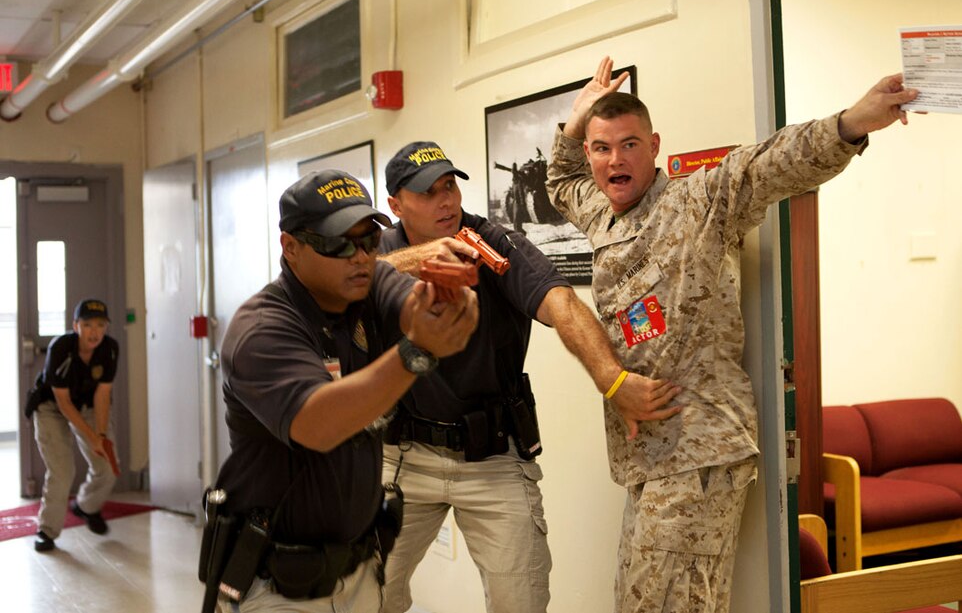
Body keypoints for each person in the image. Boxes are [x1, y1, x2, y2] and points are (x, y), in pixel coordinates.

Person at [545, 56, 920, 612]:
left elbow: (773, 163)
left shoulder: (699, 201)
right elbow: (560, 181)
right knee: (642, 601)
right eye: (601, 148)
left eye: (628, 145)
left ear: (654, 146)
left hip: (699, 449)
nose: (613, 159)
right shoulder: (603, 213)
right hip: (647, 455)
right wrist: (576, 122)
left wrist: (853, 122)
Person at [377, 141, 682, 613]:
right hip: (404, 458)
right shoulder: (379, 254)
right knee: (365, 594)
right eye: (428, 193)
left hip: (492, 455)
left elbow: (560, 302)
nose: (447, 202)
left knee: (521, 601)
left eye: (450, 186)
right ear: (396, 206)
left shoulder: (490, 241)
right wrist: (421, 258)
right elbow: (330, 285)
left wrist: (613, 380)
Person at [200, 169, 478, 613]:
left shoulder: (366, 287)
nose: (360, 256)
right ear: (291, 248)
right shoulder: (262, 328)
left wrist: (448, 300)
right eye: (338, 244)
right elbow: (318, 424)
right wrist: (416, 352)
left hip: (358, 573)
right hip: (278, 589)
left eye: (368, 240)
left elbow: (415, 305)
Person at [27, 298, 119, 553]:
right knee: (63, 471)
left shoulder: (110, 349)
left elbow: (103, 395)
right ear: (75, 325)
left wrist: (100, 435)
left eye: (100, 325)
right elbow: (63, 403)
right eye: (87, 324)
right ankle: (47, 530)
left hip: (88, 405)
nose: (94, 332)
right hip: (51, 408)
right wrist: (91, 437)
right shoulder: (61, 348)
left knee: (107, 465)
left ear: (107, 327)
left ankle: (86, 506)